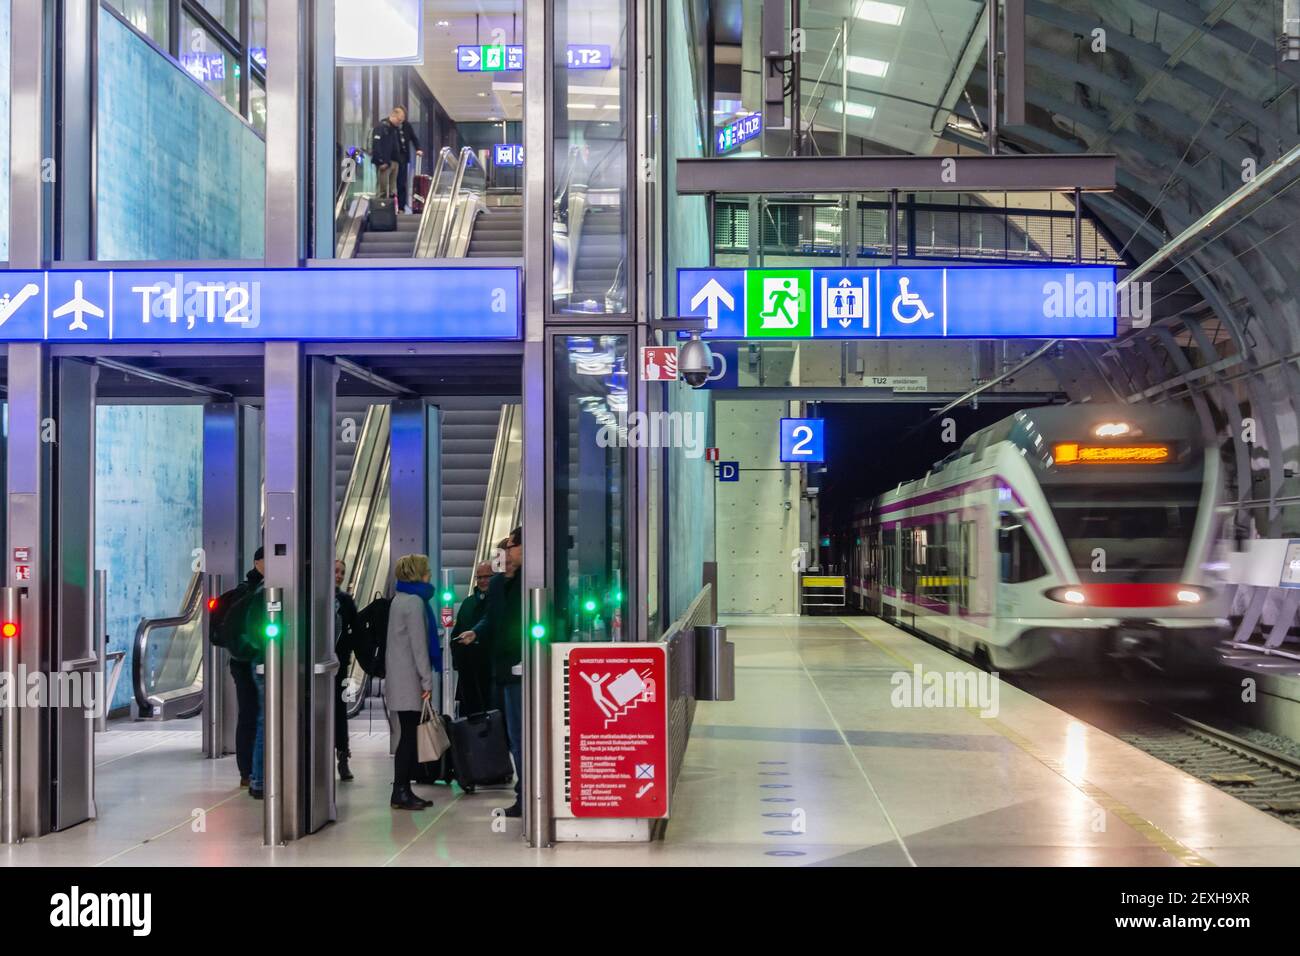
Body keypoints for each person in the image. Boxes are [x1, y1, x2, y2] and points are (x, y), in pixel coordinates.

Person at [458, 526, 524, 818]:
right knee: (514, 734)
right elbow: (491, 617)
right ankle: (524, 792)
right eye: (506, 549)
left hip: (526, 665)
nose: (507, 553)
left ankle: (531, 791)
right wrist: (476, 631)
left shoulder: (531, 580)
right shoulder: (498, 585)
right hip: (503, 667)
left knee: (524, 733)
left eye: (511, 548)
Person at [385, 553, 442, 811]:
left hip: (398, 677)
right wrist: (427, 681)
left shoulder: (399, 599)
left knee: (405, 734)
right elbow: (419, 646)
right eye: (426, 570)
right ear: (417, 573)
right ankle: (401, 790)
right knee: (408, 736)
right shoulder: (416, 603)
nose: (429, 574)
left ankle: (402, 789)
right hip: (409, 680)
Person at [227, 547, 265, 790]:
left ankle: (251, 771)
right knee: (253, 716)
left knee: (252, 715)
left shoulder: (255, 589)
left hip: (247, 661)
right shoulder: (253, 591)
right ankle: (249, 772)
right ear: (257, 562)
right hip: (248, 662)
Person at [450, 561, 493, 716]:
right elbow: (456, 633)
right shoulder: (468, 603)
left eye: (487, 577)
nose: (482, 581)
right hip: (469, 673)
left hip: (490, 674)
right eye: (479, 577)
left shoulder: (498, 602)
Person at [334, 559, 360, 781]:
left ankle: (343, 757)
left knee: (339, 712)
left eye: (342, 572)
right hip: (317, 667)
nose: (340, 575)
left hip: (339, 665)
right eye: (335, 571)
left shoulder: (345, 600)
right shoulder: (315, 597)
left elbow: (355, 629)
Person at [370, 105, 421, 212]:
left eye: (402, 120)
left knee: (394, 188)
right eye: (399, 120)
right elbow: (377, 145)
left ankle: (393, 210)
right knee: (383, 188)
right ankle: (380, 211)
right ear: (393, 116)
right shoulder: (382, 127)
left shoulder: (395, 128)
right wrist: (381, 161)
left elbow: (399, 144)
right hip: (385, 162)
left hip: (395, 161)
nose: (400, 123)